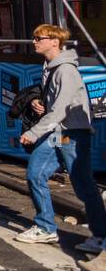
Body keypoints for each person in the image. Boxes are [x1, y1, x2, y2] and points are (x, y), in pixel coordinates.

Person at [15, 25, 106, 252]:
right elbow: (57, 105)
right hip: (59, 134)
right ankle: (46, 228)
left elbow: (61, 110)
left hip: (71, 135)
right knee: (36, 173)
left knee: (83, 185)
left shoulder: (65, 70)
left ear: (55, 42)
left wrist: (33, 132)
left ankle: (102, 236)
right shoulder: (50, 67)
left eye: (39, 38)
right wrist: (41, 104)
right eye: (34, 37)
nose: (34, 41)